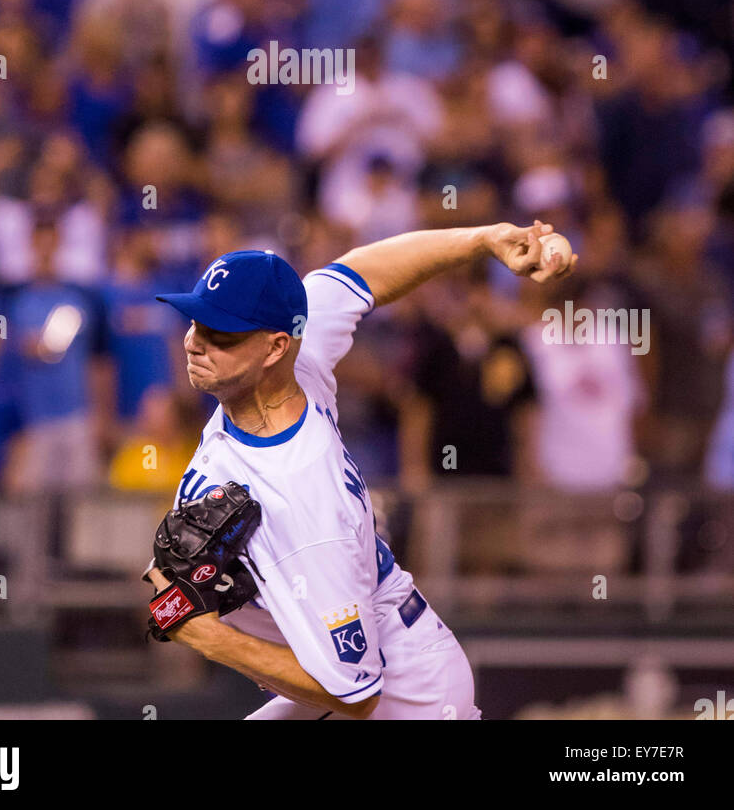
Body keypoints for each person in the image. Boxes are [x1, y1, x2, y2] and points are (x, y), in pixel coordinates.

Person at [145, 220, 575, 720]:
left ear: (275, 347)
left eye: (219, 333)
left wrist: (208, 636)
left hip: (406, 698)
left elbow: (353, 694)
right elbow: (363, 271)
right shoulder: (296, 353)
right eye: (194, 321)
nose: (195, 342)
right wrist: (483, 239)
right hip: (369, 657)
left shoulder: (304, 499)